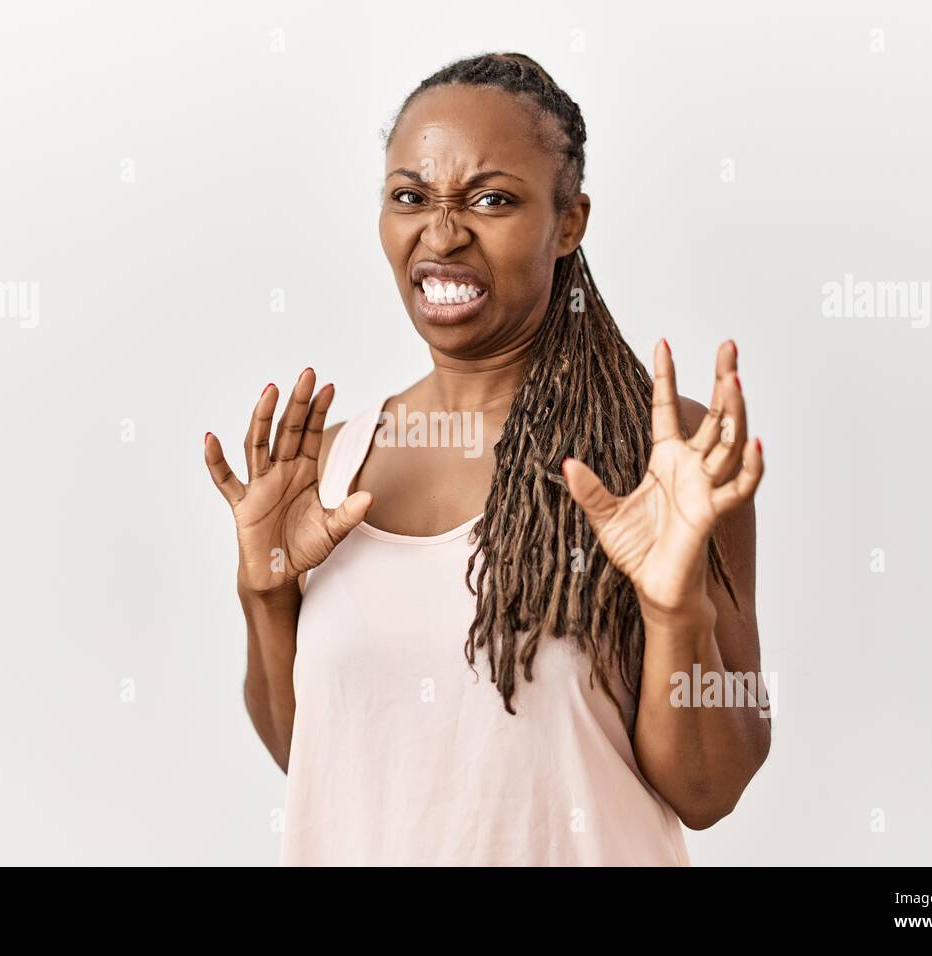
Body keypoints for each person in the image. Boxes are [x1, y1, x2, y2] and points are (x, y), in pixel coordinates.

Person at [204, 52, 767, 865]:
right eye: (411, 197)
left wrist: (676, 609)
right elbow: (319, 758)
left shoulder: (665, 453)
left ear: (568, 221)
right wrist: (265, 592)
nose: (441, 234)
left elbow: (711, 792)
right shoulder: (326, 468)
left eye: (492, 199)